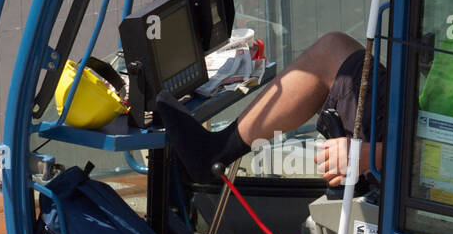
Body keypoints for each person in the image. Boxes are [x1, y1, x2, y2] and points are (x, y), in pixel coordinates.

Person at [156, 31, 386, 187]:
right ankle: (216, 151)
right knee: (336, 47)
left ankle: (216, 152)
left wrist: (372, 155)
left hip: (406, 162)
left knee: (330, 54)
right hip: (409, 126)